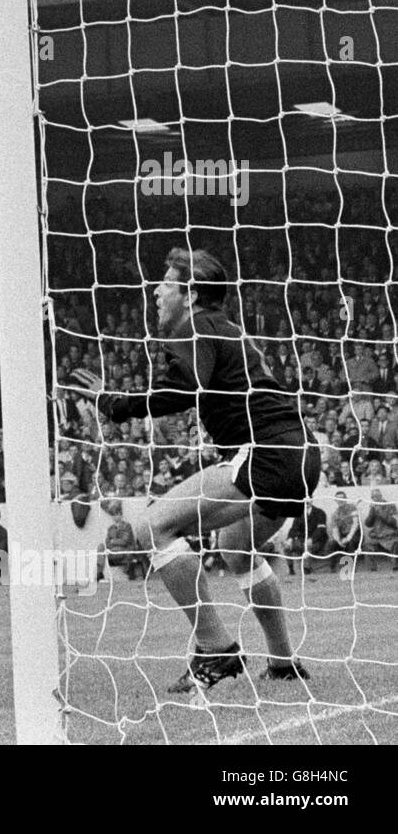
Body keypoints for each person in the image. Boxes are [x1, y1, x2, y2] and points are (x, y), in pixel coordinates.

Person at [72, 247, 321, 691]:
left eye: (165, 283)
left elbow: (184, 388)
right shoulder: (223, 329)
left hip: (266, 454)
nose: (156, 290)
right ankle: (282, 662)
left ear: (189, 295)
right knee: (236, 545)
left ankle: (215, 648)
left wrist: (115, 404)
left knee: (153, 527)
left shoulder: (196, 326)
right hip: (299, 456)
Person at [98, 500, 144, 581]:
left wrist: (113, 541)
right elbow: (107, 543)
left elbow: (125, 541)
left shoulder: (127, 526)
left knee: (112, 549)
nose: (115, 517)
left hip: (126, 551)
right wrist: (114, 542)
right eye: (113, 515)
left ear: (121, 514)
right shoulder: (110, 528)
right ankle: (99, 573)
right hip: (114, 552)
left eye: (116, 514)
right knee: (101, 547)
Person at [362, 489, 398, 571]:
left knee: (395, 543)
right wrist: (371, 512)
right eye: (373, 497)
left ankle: (395, 567)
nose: (376, 498)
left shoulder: (390, 505)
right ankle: (372, 569)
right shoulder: (373, 508)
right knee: (367, 545)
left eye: (377, 496)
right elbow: (368, 524)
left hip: (389, 535)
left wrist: (379, 510)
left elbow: (393, 522)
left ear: (381, 496)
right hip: (377, 536)